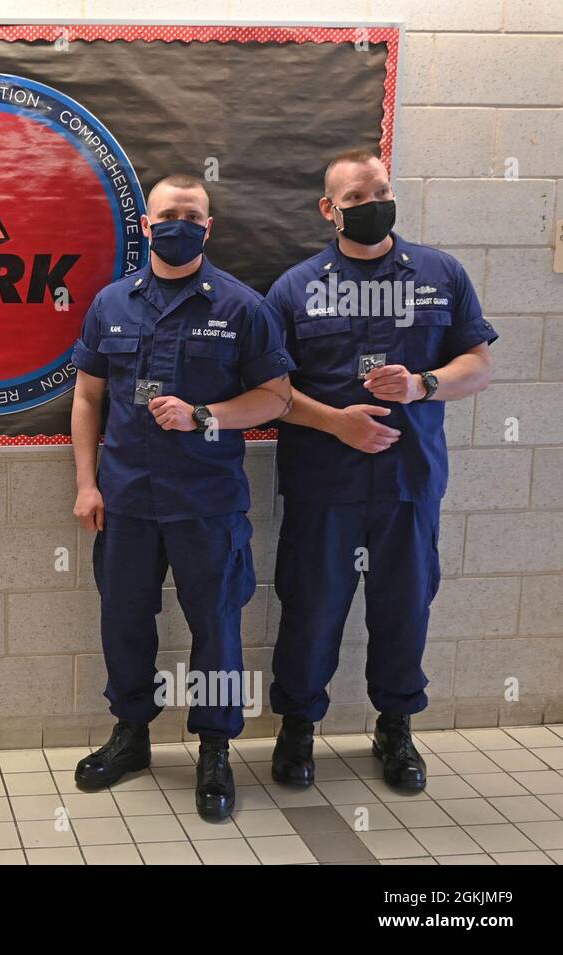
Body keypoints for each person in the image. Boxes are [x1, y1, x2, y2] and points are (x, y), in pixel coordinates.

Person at [264, 149, 496, 792]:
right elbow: (272, 390)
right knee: (311, 606)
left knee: (404, 607)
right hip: (323, 487)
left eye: (381, 192)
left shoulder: (440, 273)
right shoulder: (295, 287)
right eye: (357, 198)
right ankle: (297, 727)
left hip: (408, 484)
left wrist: (423, 384)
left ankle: (395, 727)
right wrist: (336, 421)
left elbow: (477, 365)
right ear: (329, 209)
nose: (373, 205)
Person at [70, 174, 294, 821]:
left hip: (207, 503)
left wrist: (208, 415)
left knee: (217, 625)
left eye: (191, 214)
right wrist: (86, 482)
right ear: (145, 224)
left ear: (208, 226)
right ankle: (132, 734)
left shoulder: (242, 305)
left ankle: (217, 746)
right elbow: (87, 398)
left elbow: (276, 396)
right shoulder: (112, 303)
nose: (179, 224)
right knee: (125, 621)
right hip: (127, 500)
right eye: (167, 214)